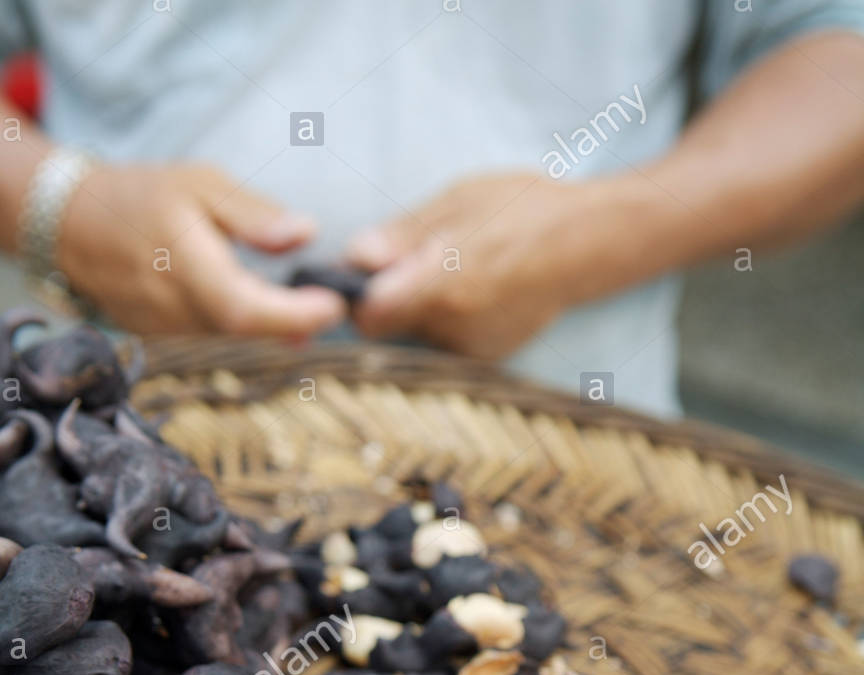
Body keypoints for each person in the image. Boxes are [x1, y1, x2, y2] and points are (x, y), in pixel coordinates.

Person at [0, 1, 863, 413]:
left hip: (568, 469)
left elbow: (839, 58)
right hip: (114, 436)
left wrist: (607, 229)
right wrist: (59, 206)